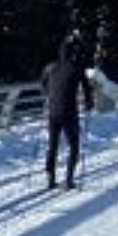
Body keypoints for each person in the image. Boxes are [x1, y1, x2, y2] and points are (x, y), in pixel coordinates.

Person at [41, 30, 95, 190]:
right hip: (69, 112)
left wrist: (50, 95)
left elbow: (43, 84)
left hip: (52, 111)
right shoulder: (78, 68)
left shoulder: (50, 67)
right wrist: (88, 103)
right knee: (74, 145)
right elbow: (87, 91)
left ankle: (50, 178)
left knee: (53, 145)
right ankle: (69, 180)